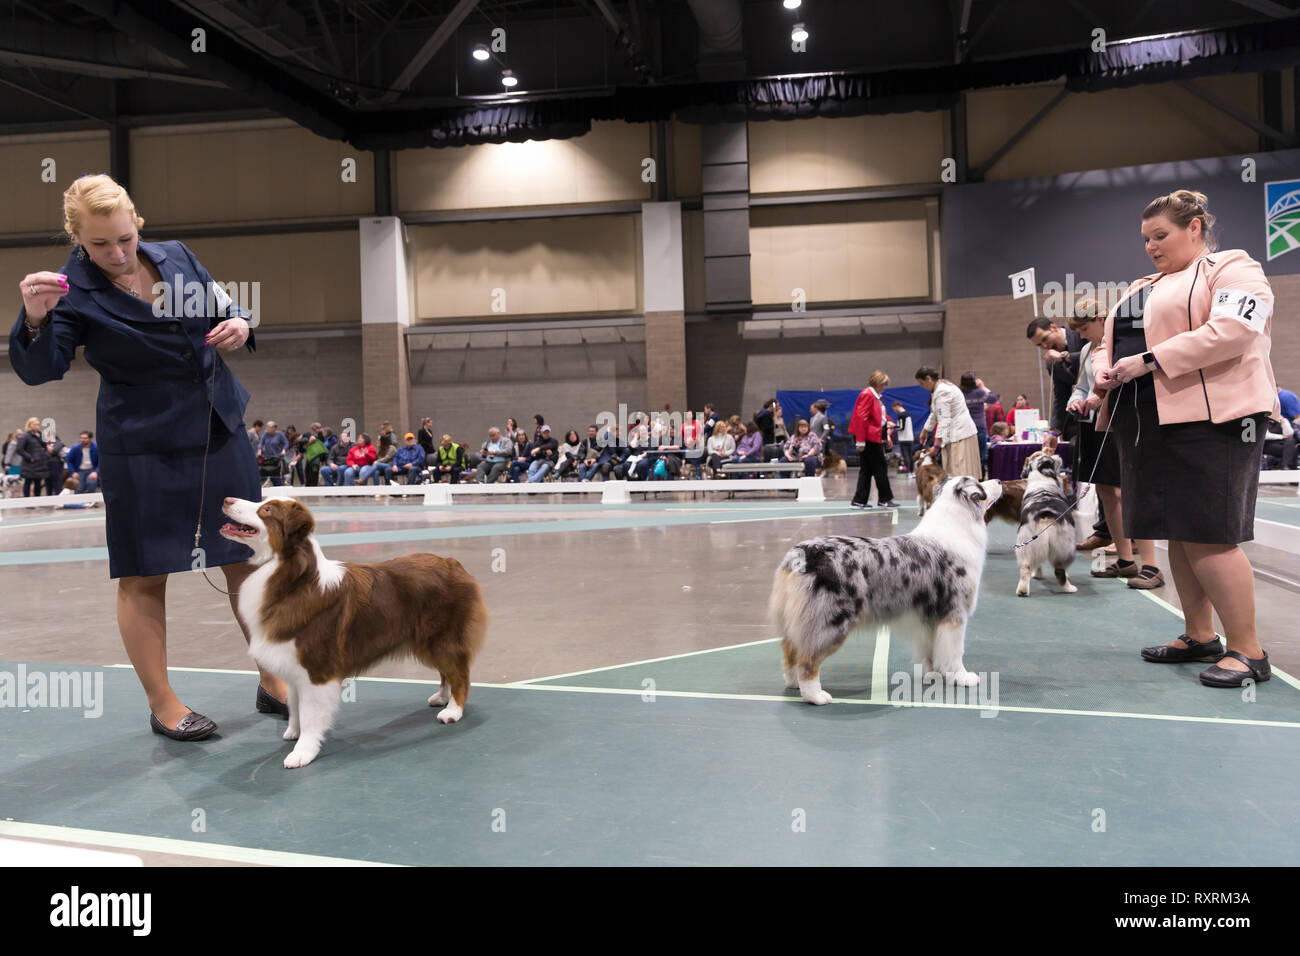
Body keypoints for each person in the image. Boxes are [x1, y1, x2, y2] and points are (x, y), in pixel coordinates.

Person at [8, 172, 287, 740]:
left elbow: (226, 308)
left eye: (124, 238)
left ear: (137, 221)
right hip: (142, 445)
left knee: (248, 560)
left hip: (218, 426)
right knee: (143, 574)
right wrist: (35, 318)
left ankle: (274, 679)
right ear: (77, 239)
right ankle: (165, 706)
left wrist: (239, 324)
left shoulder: (178, 257)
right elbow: (42, 370)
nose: (115, 253)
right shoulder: (70, 289)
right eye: (99, 245)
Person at [1092, 189, 1278, 686]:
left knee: (1210, 533)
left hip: (1215, 419)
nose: (1151, 246)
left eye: (1162, 235)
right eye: (1145, 238)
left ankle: (1249, 650)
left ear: (1194, 227)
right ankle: (1200, 635)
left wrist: (1149, 361)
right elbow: (1107, 346)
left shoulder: (1234, 268)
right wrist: (1102, 372)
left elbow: (1234, 330)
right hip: (1146, 420)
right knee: (1177, 527)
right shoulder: (1142, 285)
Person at [1067, 299, 1162, 588]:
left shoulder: (1126, 343)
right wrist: (1077, 401)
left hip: (1126, 422)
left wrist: (1100, 396)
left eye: (1084, 327)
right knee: (1107, 491)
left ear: (1101, 319)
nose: (1082, 335)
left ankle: (1151, 565)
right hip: (1097, 426)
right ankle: (1125, 561)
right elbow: (1081, 388)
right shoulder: (1087, 352)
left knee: (1133, 490)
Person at [916, 366, 980, 479]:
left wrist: (936, 445)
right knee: (956, 474)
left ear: (928, 378)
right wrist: (925, 430)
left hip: (961, 435)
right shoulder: (941, 386)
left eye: (921, 383)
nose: (922, 387)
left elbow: (944, 420)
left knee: (960, 475)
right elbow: (935, 413)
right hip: (958, 433)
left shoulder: (942, 391)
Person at [848, 370, 895, 508]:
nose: (884, 387)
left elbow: (879, 417)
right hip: (868, 437)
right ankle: (884, 499)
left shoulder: (876, 396)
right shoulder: (867, 395)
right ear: (876, 383)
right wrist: (861, 441)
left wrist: (887, 429)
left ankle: (859, 500)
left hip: (872, 436)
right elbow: (860, 418)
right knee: (880, 467)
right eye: (883, 384)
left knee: (867, 469)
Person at [959, 373, 991, 479]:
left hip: (964, 428)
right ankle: (980, 480)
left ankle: (968, 479)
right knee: (980, 455)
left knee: (966, 456)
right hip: (979, 427)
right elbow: (993, 398)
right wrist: (982, 386)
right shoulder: (979, 393)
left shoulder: (959, 394)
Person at [16, 417, 49, 497]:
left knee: (38, 484)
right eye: (35, 424)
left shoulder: (40, 435)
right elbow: (19, 449)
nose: (37, 426)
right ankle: (27, 502)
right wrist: (30, 458)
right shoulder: (24, 436)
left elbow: (44, 446)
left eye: (38, 424)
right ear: (30, 425)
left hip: (40, 465)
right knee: (28, 483)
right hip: (29, 465)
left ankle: (37, 501)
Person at [890, 401, 913, 472]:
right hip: (910, 438)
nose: (894, 411)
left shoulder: (901, 415)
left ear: (896, 406)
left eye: (893, 409)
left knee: (905, 456)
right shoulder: (907, 414)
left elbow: (901, 427)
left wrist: (893, 426)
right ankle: (911, 471)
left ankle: (907, 471)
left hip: (904, 439)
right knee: (910, 455)